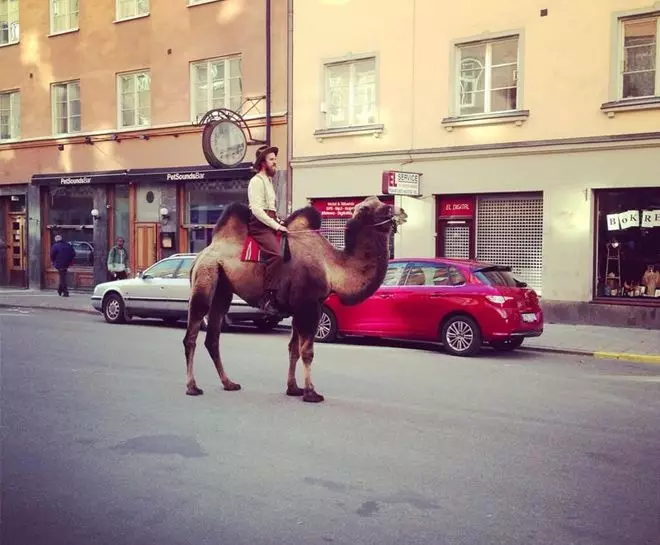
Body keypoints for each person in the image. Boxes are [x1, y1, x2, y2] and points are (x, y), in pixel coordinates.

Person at [247, 144, 288, 315]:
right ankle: (268, 298)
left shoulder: (269, 181)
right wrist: (277, 225)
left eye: (275, 159)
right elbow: (257, 210)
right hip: (259, 225)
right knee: (276, 255)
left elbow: (270, 208)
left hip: (269, 221)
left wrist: (280, 220)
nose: (275, 162)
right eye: (271, 159)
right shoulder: (256, 181)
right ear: (263, 163)